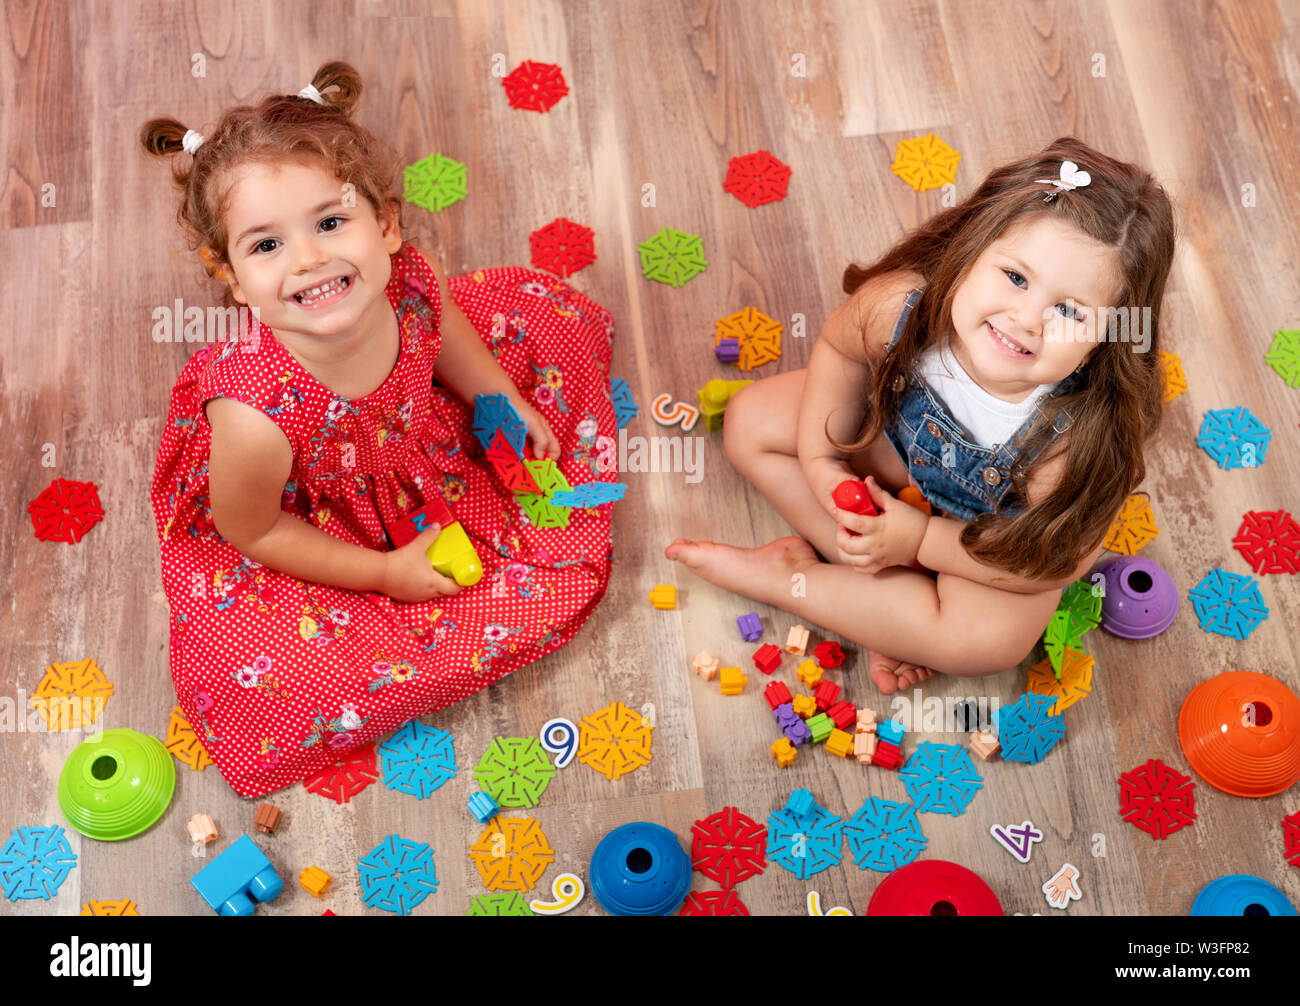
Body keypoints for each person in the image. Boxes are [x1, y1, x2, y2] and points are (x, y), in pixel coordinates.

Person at [143, 60, 618, 797]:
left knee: (545, 331)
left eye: (331, 223)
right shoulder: (252, 414)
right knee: (286, 679)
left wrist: (501, 402)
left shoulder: (407, 280)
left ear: (386, 226)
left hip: (414, 437)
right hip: (315, 516)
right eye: (265, 246)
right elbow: (254, 531)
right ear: (232, 278)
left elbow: (450, 335)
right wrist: (386, 575)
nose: (309, 259)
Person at [667, 136, 1175, 694]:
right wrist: (821, 464)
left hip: (989, 540)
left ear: (1111, 337)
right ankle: (884, 603)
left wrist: (919, 543)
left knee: (986, 641)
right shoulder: (898, 308)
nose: (1026, 318)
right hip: (895, 456)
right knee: (750, 423)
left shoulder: (1075, 443)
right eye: (1015, 277)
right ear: (972, 245)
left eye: (1069, 309)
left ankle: (795, 580)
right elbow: (839, 351)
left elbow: (1047, 568)